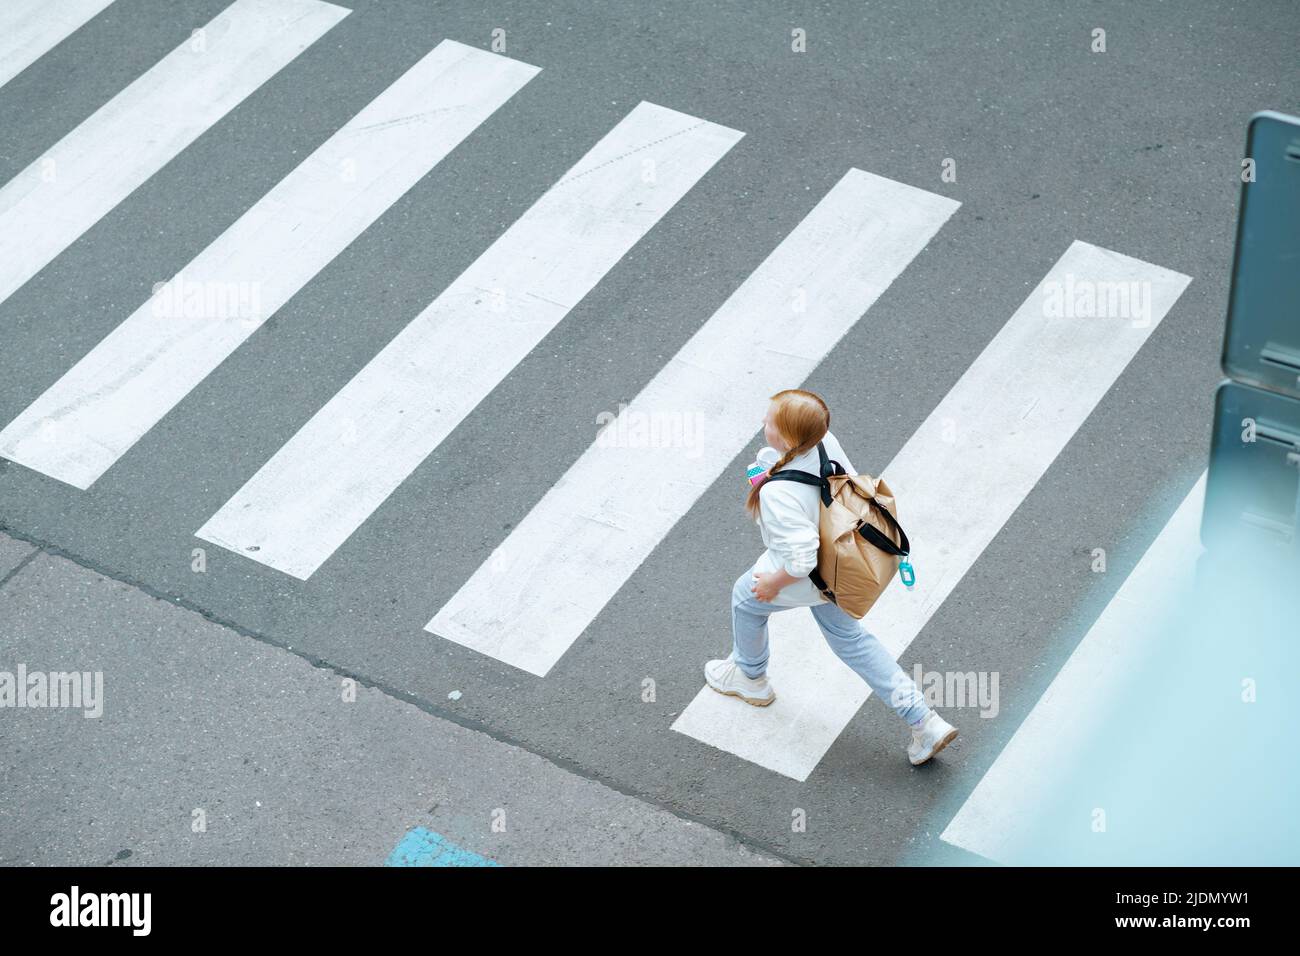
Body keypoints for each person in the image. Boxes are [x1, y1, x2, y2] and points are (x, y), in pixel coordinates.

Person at [704, 388, 959, 766]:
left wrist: (774, 582)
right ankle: (924, 720)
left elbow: (801, 556)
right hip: (842, 565)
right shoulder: (825, 442)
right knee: (851, 639)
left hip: (814, 573)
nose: (763, 422)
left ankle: (749, 675)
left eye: (770, 421)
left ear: (789, 437)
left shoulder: (778, 495)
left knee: (746, 597)